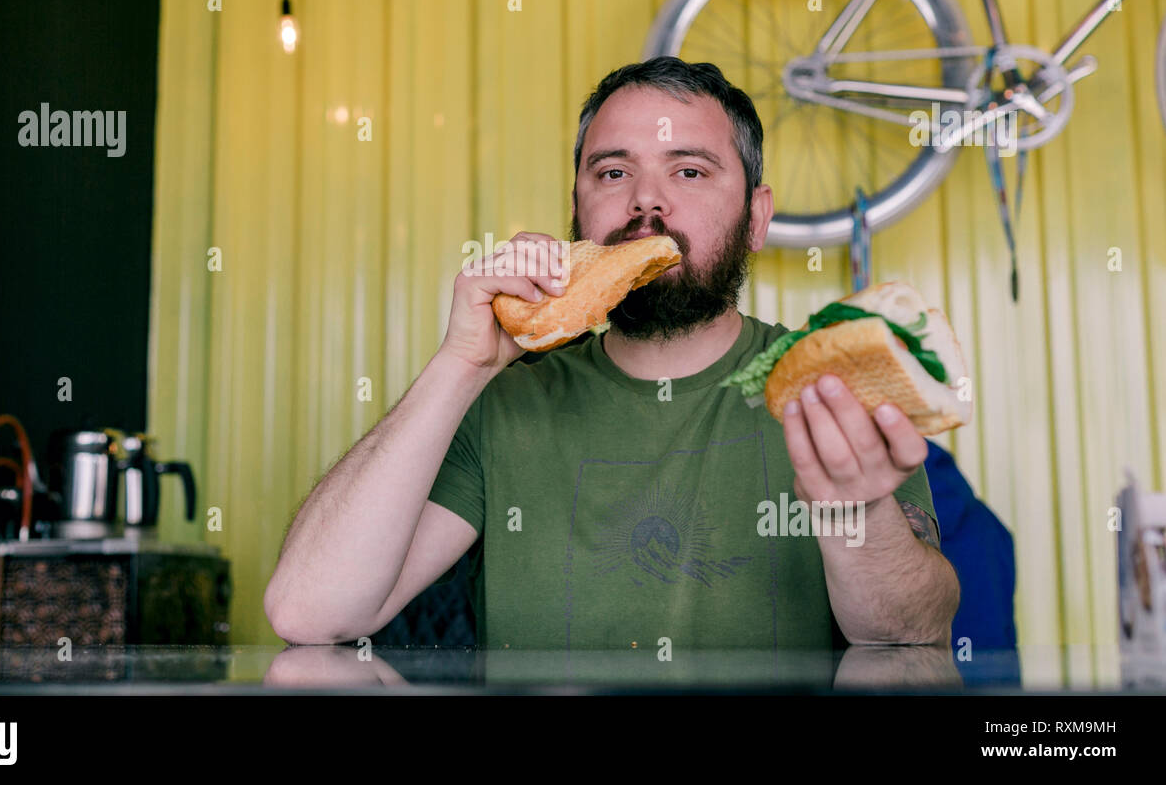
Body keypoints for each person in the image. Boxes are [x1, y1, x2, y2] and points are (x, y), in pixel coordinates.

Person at [265, 56, 960, 651]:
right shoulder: (504, 400)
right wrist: (462, 364)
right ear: (577, 210)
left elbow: (909, 636)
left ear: (756, 217)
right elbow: (308, 613)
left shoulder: (828, 385)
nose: (645, 204)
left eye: (688, 172)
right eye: (611, 174)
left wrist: (858, 512)